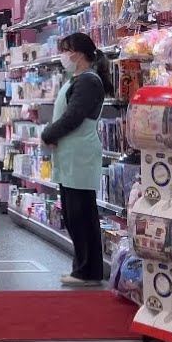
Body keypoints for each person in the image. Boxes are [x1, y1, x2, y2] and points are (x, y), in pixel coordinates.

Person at [40, 32, 113, 286]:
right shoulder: (79, 79)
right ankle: (82, 267)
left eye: (66, 50)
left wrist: (48, 133)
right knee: (74, 214)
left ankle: (88, 271)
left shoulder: (88, 82)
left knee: (81, 214)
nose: (63, 56)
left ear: (78, 53)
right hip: (71, 155)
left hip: (79, 155)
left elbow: (73, 116)